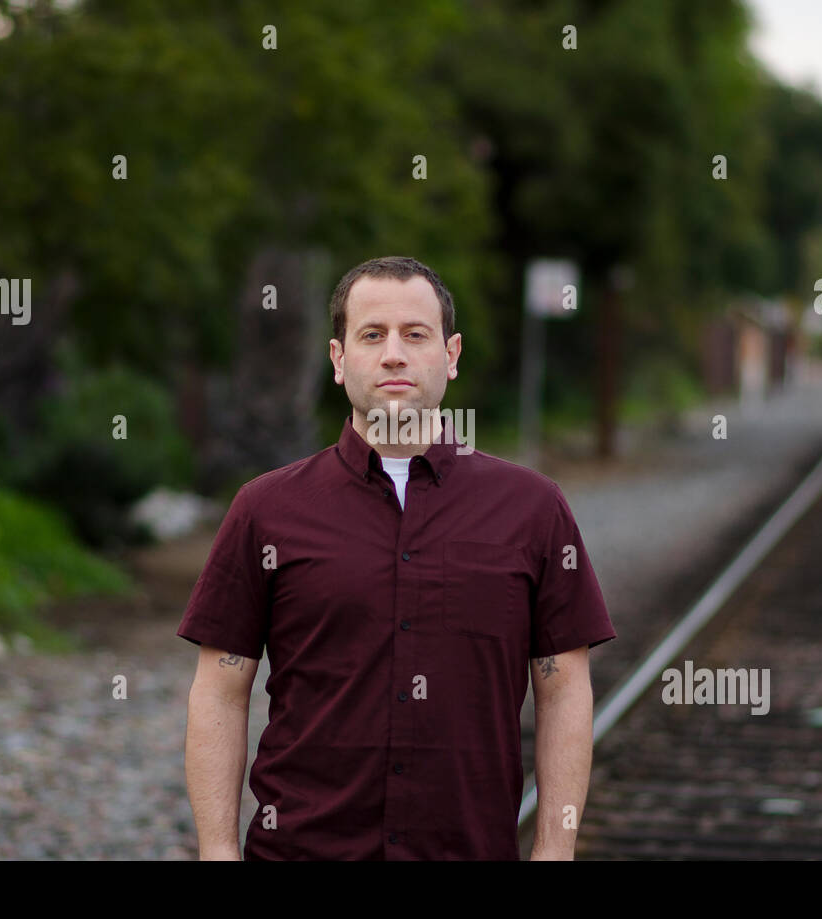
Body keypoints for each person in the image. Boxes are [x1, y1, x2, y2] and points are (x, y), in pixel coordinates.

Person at [178, 255, 616, 860]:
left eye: (415, 335)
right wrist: (218, 852)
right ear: (338, 360)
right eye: (372, 335)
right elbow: (221, 690)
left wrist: (555, 850)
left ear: (451, 354)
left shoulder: (533, 509)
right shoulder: (265, 510)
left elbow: (565, 688)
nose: (394, 354)